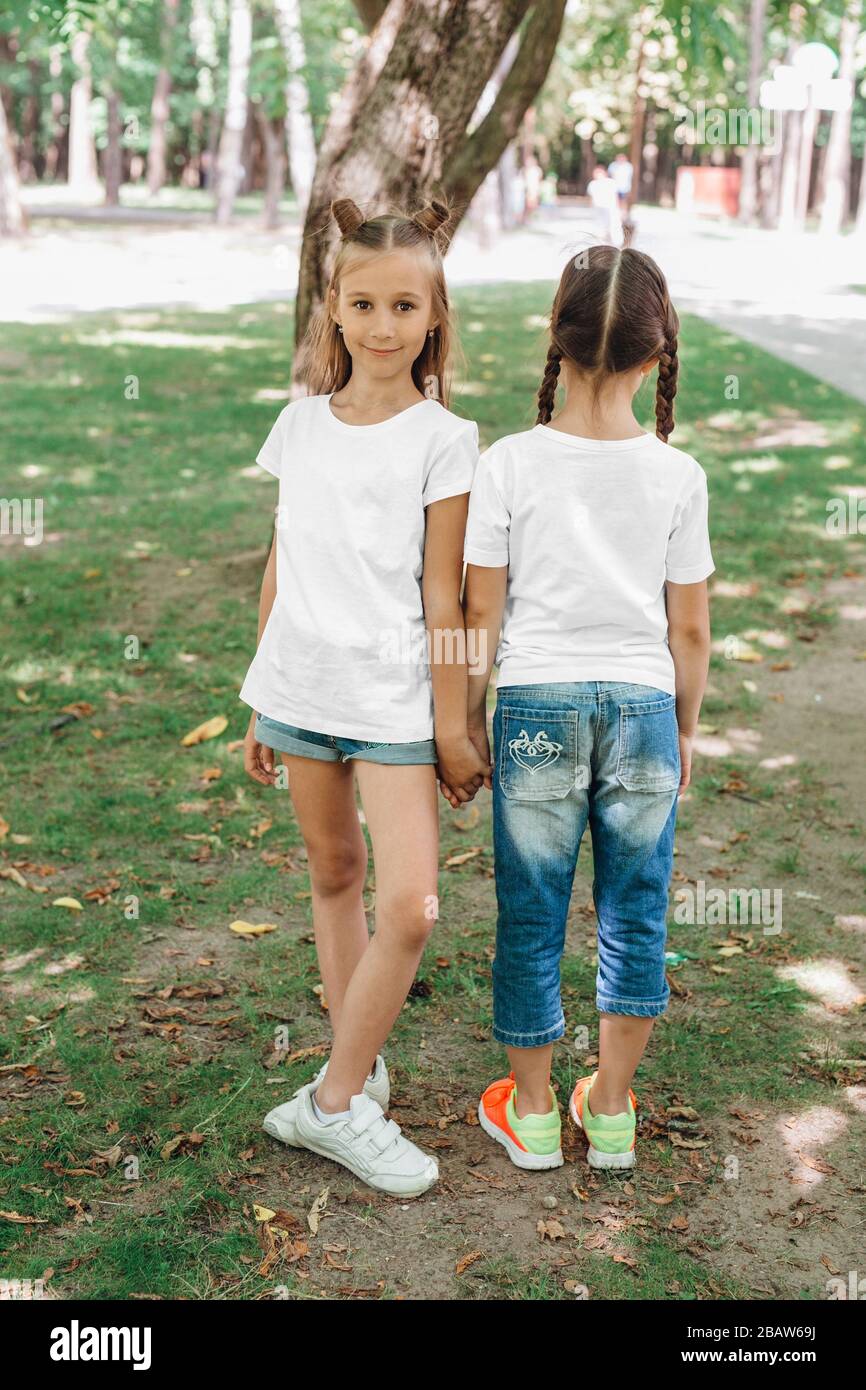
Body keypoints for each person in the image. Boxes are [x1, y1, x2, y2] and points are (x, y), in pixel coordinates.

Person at [240, 196, 487, 1197]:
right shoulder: (298, 426)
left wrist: (450, 719)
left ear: (433, 317)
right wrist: (260, 694)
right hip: (300, 690)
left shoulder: (445, 438)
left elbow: (448, 591)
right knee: (334, 874)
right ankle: (353, 1072)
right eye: (363, 303)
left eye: (403, 306)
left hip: (393, 707)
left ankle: (329, 1106)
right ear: (332, 311)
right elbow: (279, 561)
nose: (383, 326)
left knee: (410, 904)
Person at [461, 244, 715, 1172]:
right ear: (657, 357)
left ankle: (530, 1113)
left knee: (530, 914)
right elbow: (688, 632)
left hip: (534, 706)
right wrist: (682, 728)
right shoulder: (676, 477)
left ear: (555, 343)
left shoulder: (508, 464)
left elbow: (479, 614)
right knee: (636, 913)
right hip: (645, 709)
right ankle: (609, 1111)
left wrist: (463, 724)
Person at [587, 164, 623, 247]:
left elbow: (616, 197)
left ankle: (617, 245)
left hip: (611, 209)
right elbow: (591, 198)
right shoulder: (592, 184)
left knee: (614, 228)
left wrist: (619, 209)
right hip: (598, 210)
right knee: (601, 229)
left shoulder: (611, 183)